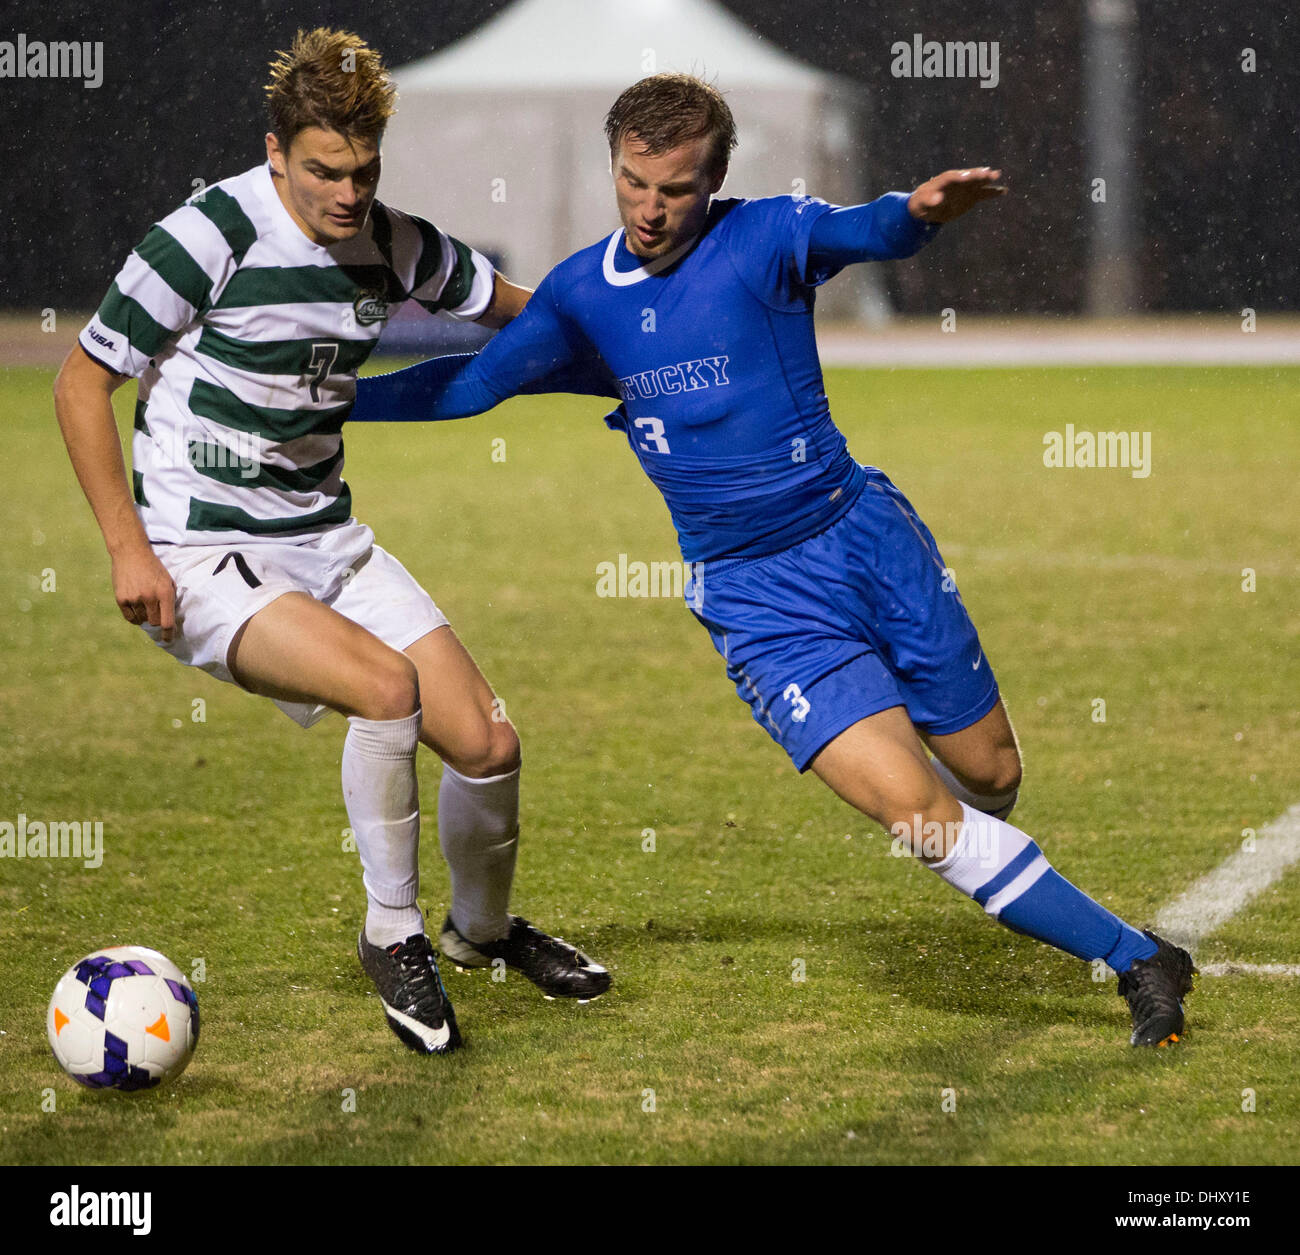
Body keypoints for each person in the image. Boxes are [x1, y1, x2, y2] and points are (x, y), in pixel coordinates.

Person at [350, 73, 1196, 1047]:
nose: (651, 209)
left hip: (867, 542)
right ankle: (1138, 959)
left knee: (989, 775)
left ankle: (997, 850)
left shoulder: (765, 237)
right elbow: (470, 386)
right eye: (634, 184)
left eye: (676, 189)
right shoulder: (585, 292)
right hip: (761, 605)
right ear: (614, 166)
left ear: (715, 178)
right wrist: (332, 401)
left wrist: (915, 216)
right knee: (918, 821)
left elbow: (861, 230)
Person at [51, 27, 610, 1058]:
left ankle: (481, 934)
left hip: (326, 540)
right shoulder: (206, 234)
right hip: (199, 551)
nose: (346, 193)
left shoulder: (392, 240)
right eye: (323, 171)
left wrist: (637, 358)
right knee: (384, 688)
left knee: (488, 747)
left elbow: (515, 315)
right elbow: (82, 380)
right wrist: (126, 548)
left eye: (363, 171)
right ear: (275, 152)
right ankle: (390, 933)